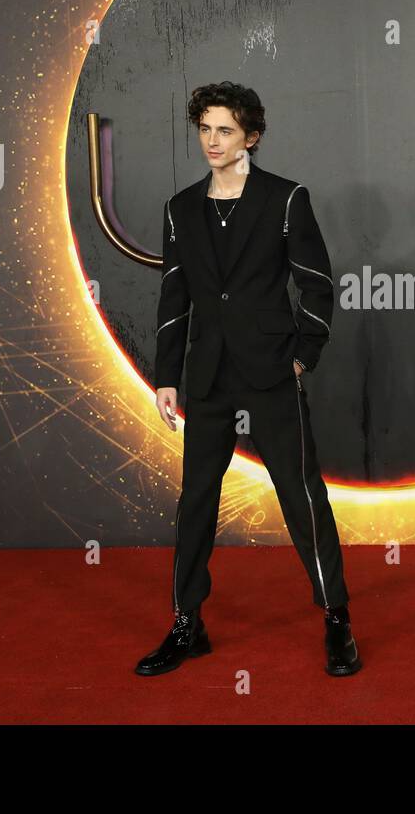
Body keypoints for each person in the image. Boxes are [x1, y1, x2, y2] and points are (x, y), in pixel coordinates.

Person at [135, 81, 361, 678]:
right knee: (196, 504)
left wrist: (301, 356)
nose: (212, 141)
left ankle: (335, 617)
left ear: (251, 136)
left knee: (302, 495)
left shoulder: (286, 199)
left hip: (269, 371)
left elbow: (317, 283)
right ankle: (188, 623)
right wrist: (167, 375)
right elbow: (175, 295)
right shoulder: (180, 208)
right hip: (206, 374)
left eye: (225, 131)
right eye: (205, 130)